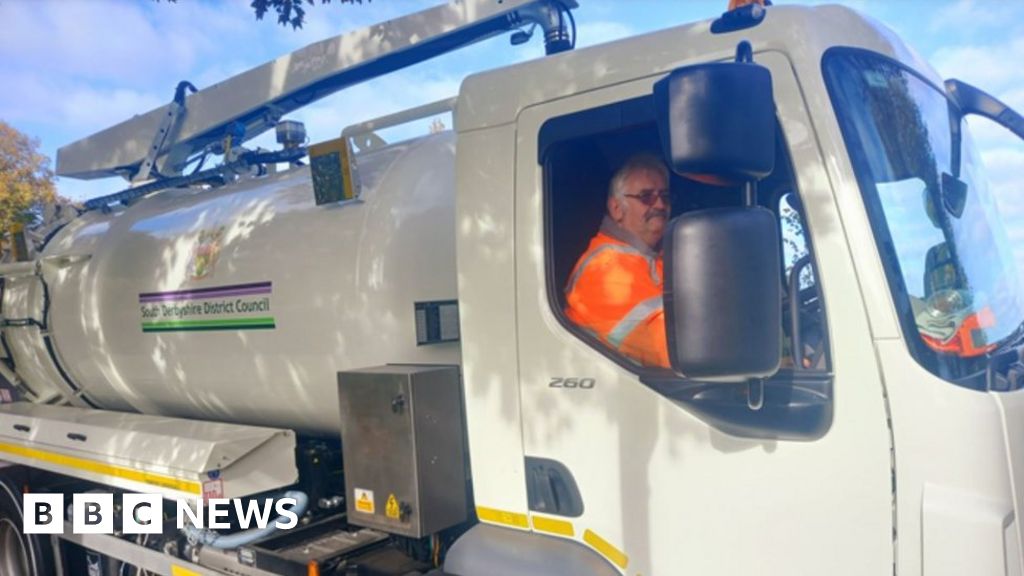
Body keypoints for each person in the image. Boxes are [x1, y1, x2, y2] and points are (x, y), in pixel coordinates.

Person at [564, 154, 671, 368]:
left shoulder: (654, 257)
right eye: (646, 196)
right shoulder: (603, 269)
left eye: (665, 196)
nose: (660, 204)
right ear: (616, 209)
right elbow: (674, 349)